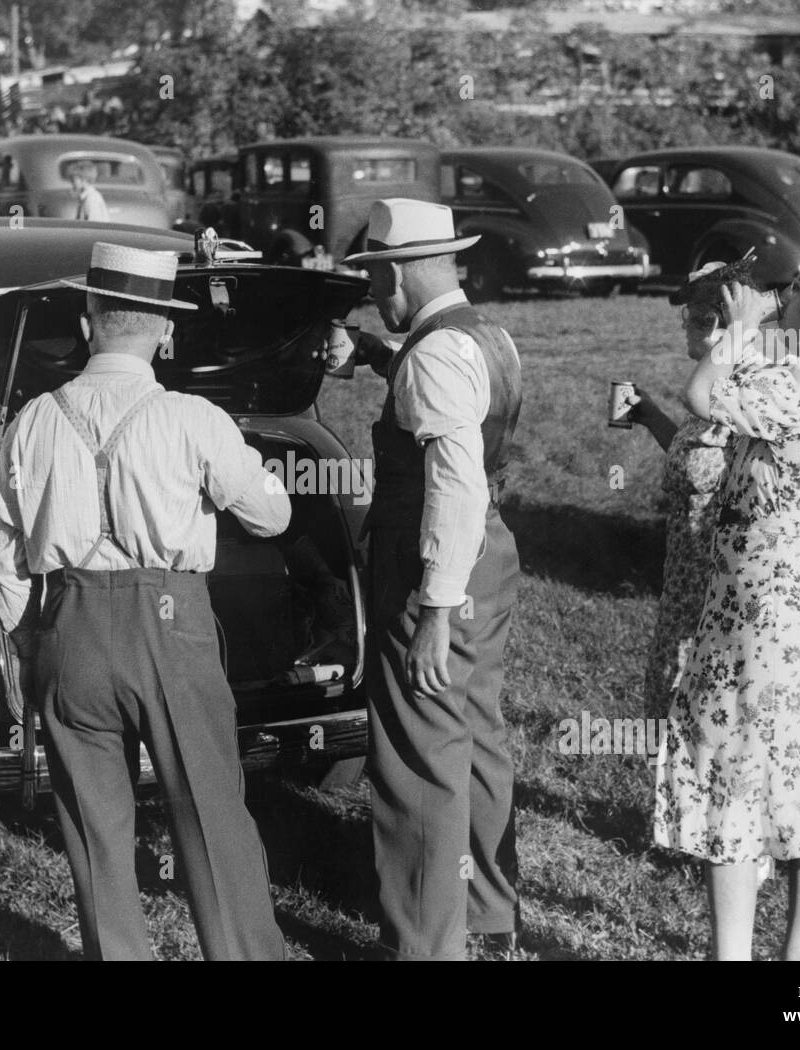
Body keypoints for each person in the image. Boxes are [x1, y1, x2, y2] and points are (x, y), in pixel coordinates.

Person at [0, 242, 290, 961]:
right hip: (169, 622)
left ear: (89, 325)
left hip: (66, 626)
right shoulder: (192, 416)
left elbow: (4, 548)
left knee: (94, 827)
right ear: (166, 330)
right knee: (209, 809)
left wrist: (21, 639)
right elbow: (271, 517)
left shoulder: (29, 421)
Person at [654, 206, 800, 961]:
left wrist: (733, 328)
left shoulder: (797, 373)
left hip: (760, 613)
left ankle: (731, 955)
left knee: (734, 769)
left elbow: (700, 397)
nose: (791, 281)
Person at [340, 199, 523, 961]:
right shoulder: (483, 334)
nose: (373, 294)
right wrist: (380, 355)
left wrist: (434, 608)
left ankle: (425, 944)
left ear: (397, 269)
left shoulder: (432, 356)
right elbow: (459, 417)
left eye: (374, 277)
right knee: (477, 734)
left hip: (434, 565)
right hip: (489, 556)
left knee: (418, 755)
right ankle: (487, 914)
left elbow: (451, 483)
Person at [623, 260, 739, 719]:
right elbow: (701, 463)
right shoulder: (710, 386)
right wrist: (652, 416)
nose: (685, 327)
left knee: (703, 713)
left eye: (694, 317)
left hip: (718, 589)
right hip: (685, 584)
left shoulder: (738, 389)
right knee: (669, 703)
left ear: (719, 325)